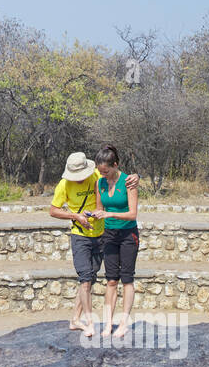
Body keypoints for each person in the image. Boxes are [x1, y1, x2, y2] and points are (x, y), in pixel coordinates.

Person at [49, 151, 140, 338]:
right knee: (85, 278)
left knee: (91, 279)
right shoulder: (64, 184)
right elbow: (53, 210)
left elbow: (119, 176)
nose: (80, 180)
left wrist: (137, 176)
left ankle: (75, 319)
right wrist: (75, 216)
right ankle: (90, 323)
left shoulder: (98, 175)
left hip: (101, 234)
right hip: (81, 234)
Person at [93, 145, 139, 338]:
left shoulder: (128, 182)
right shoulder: (100, 183)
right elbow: (99, 209)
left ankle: (123, 323)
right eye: (100, 171)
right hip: (109, 235)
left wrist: (109, 213)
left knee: (127, 279)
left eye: (106, 171)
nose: (103, 174)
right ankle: (108, 323)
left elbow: (132, 213)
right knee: (111, 280)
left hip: (128, 235)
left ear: (115, 165)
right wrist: (93, 216)